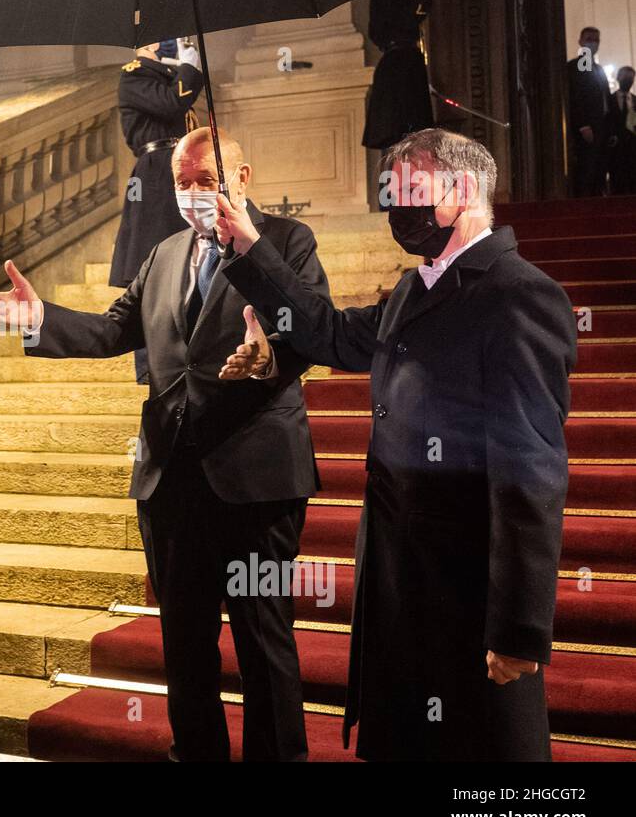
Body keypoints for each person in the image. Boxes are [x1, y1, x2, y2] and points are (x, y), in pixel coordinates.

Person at [0, 127, 332, 762]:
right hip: (172, 481)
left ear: (242, 179)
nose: (192, 195)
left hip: (256, 483)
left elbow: (311, 328)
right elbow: (114, 329)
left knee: (262, 641)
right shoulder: (163, 254)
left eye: (207, 182)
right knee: (185, 643)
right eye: (182, 184)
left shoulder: (287, 242)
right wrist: (41, 318)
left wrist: (271, 353)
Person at [216, 128, 576, 761]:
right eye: (391, 194)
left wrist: (519, 625)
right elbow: (326, 331)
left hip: (464, 594)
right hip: (397, 583)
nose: (395, 211)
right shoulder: (414, 288)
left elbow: (531, 471)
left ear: (462, 191)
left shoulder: (520, 295)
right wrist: (251, 244)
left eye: (410, 192)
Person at [110, 39, 205, 384]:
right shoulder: (134, 76)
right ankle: (150, 365)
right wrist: (190, 66)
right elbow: (173, 102)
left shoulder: (166, 75)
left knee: (189, 266)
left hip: (179, 168)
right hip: (154, 180)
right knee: (153, 269)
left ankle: (187, 353)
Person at [362, 0, 435, 153]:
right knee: (397, 133)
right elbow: (405, 22)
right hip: (397, 68)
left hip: (409, 65)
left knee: (417, 134)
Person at [566, 27, 613, 198]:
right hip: (588, 127)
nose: (593, 42)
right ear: (580, 42)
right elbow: (576, 96)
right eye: (589, 38)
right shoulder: (577, 65)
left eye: (596, 39)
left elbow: (605, 97)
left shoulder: (599, 68)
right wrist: (583, 125)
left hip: (603, 125)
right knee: (587, 169)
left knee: (600, 168)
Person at [608, 65, 636, 195]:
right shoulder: (609, 100)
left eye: (631, 78)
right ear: (618, 78)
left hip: (633, 150)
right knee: (617, 184)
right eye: (625, 77)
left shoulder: (635, 101)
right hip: (615, 150)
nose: (628, 80)